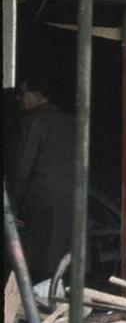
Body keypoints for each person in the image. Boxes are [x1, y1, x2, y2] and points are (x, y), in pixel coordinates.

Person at [6, 79, 76, 281]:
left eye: (23, 93)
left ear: (39, 94)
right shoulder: (71, 122)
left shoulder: (32, 122)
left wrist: (13, 205)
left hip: (40, 199)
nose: (19, 98)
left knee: (37, 259)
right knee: (64, 257)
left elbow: (21, 168)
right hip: (72, 199)